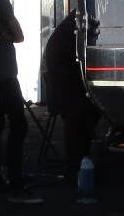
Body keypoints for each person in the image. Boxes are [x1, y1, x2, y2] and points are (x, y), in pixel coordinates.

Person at [0, 0, 41, 205]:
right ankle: (13, 178)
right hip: (4, 76)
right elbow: (20, 35)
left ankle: (1, 177)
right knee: (18, 125)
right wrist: (8, 33)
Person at [42, 12, 100, 192]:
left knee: (82, 116)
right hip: (65, 76)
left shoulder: (75, 23)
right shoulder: (80, 22)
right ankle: (76, 165)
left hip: (66, 73)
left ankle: (79, 161)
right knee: (78, 117)